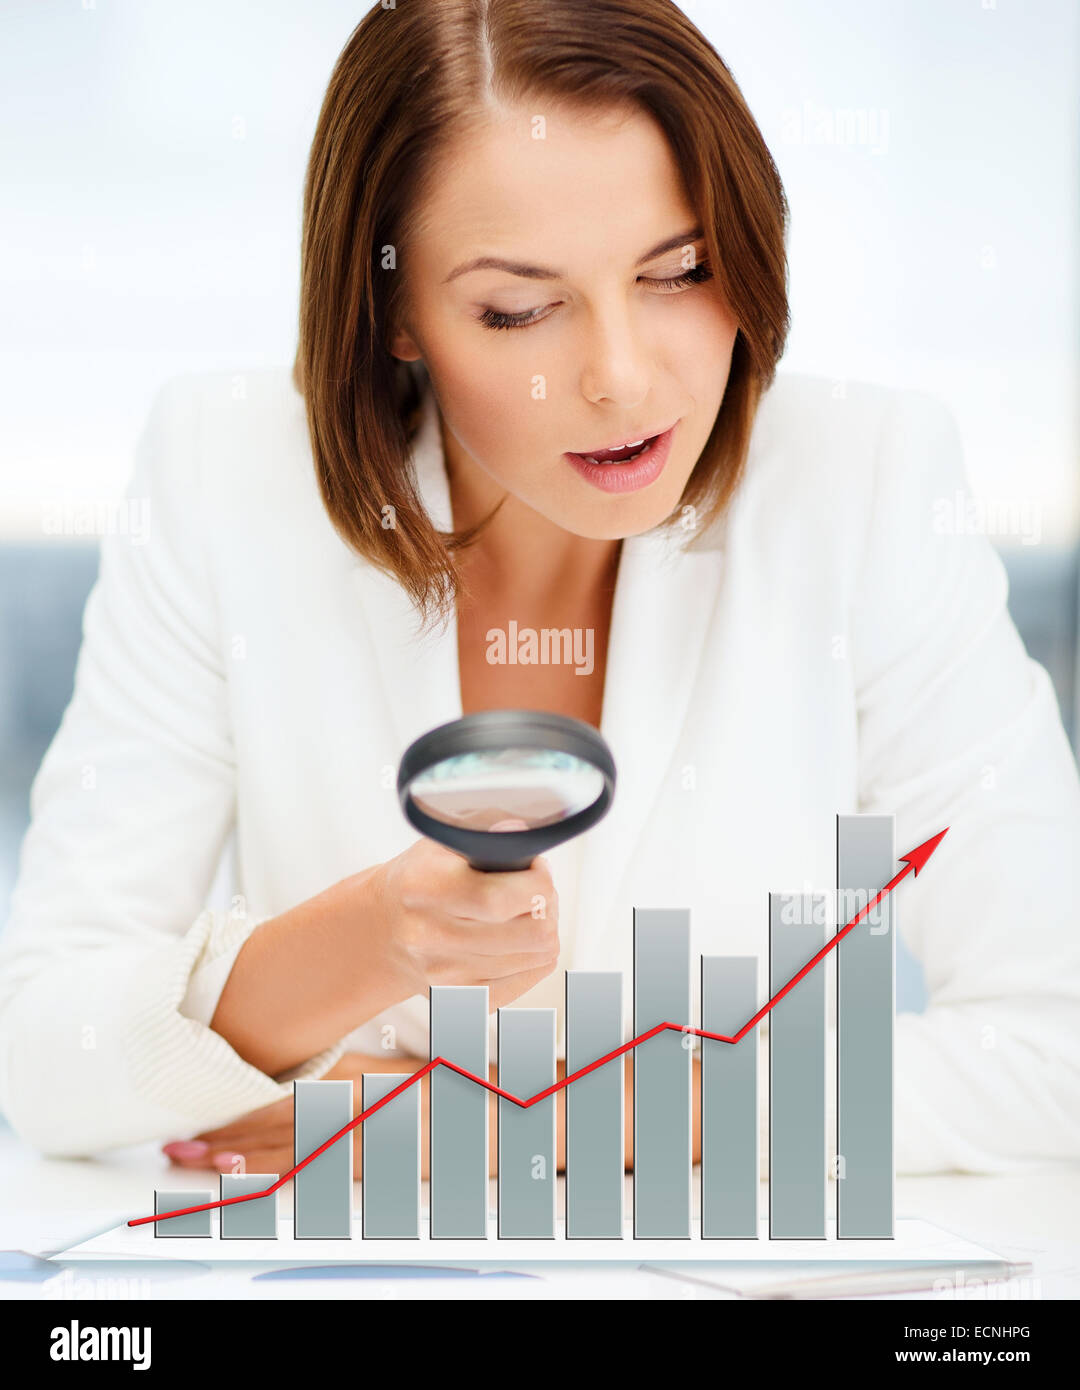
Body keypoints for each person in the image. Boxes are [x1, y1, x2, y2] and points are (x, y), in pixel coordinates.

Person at [2, 0, 1079, 1187]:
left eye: (683, 270)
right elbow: (47, 1046)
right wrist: (370, 939)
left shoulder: (867, 484)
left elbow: (1055, 1043)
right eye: (518, 309)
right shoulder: (223, 471)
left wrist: (514, 1125)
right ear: (395, 311)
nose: (622, 379)